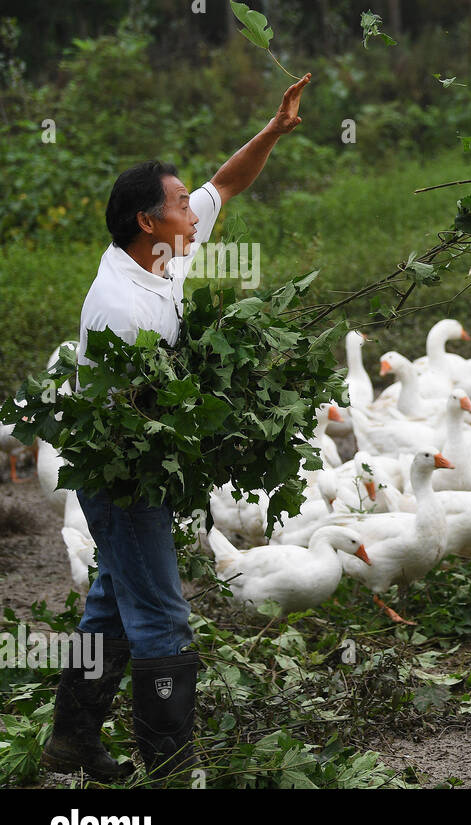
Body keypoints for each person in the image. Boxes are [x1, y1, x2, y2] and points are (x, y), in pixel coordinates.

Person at [42, 73, 312, 783]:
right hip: (119, 467)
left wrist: (274, 129)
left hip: (142, 454)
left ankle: (71, 740)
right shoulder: (118, 307)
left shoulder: (163, 247)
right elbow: (128, 416)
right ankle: (171, 767)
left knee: (112, 598)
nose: (192, 216)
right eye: (177, 207)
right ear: (147, 222)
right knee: (161, 613)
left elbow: (224, 185)